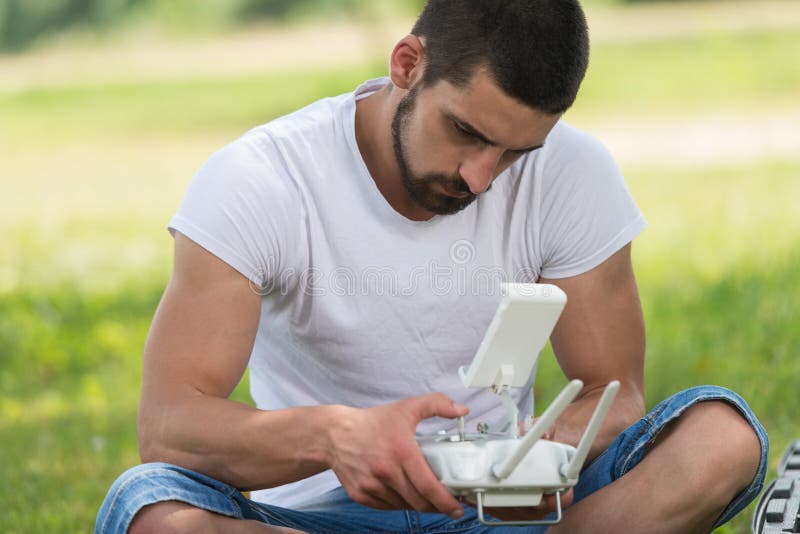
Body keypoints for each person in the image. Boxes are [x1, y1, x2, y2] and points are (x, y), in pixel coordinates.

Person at [96, 1, 768, 532]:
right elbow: (169, 425)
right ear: (408, 63)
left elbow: (614, 392)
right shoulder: (261, 180)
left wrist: (545, 452)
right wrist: (336, 438)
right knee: (153, 509)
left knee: (722, 438)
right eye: (468, 133)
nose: (480, 178)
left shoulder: (573, 172)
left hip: (515, 517)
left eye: (513, 154)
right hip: (315, 519)